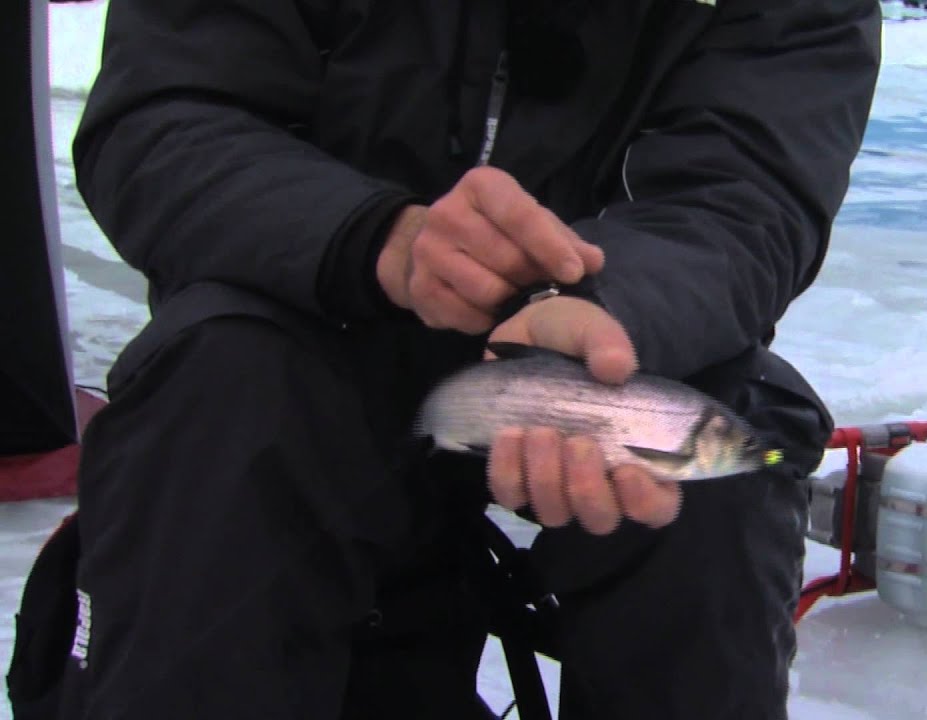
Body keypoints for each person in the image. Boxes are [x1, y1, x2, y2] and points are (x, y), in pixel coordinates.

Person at [24, 0, 881, 718]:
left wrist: (597, 312)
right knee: (219, 396)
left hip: (601, 335)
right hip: (304, 321)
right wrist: (382, 241)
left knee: (718, 470)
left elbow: (747, 197)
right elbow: (163, 119)